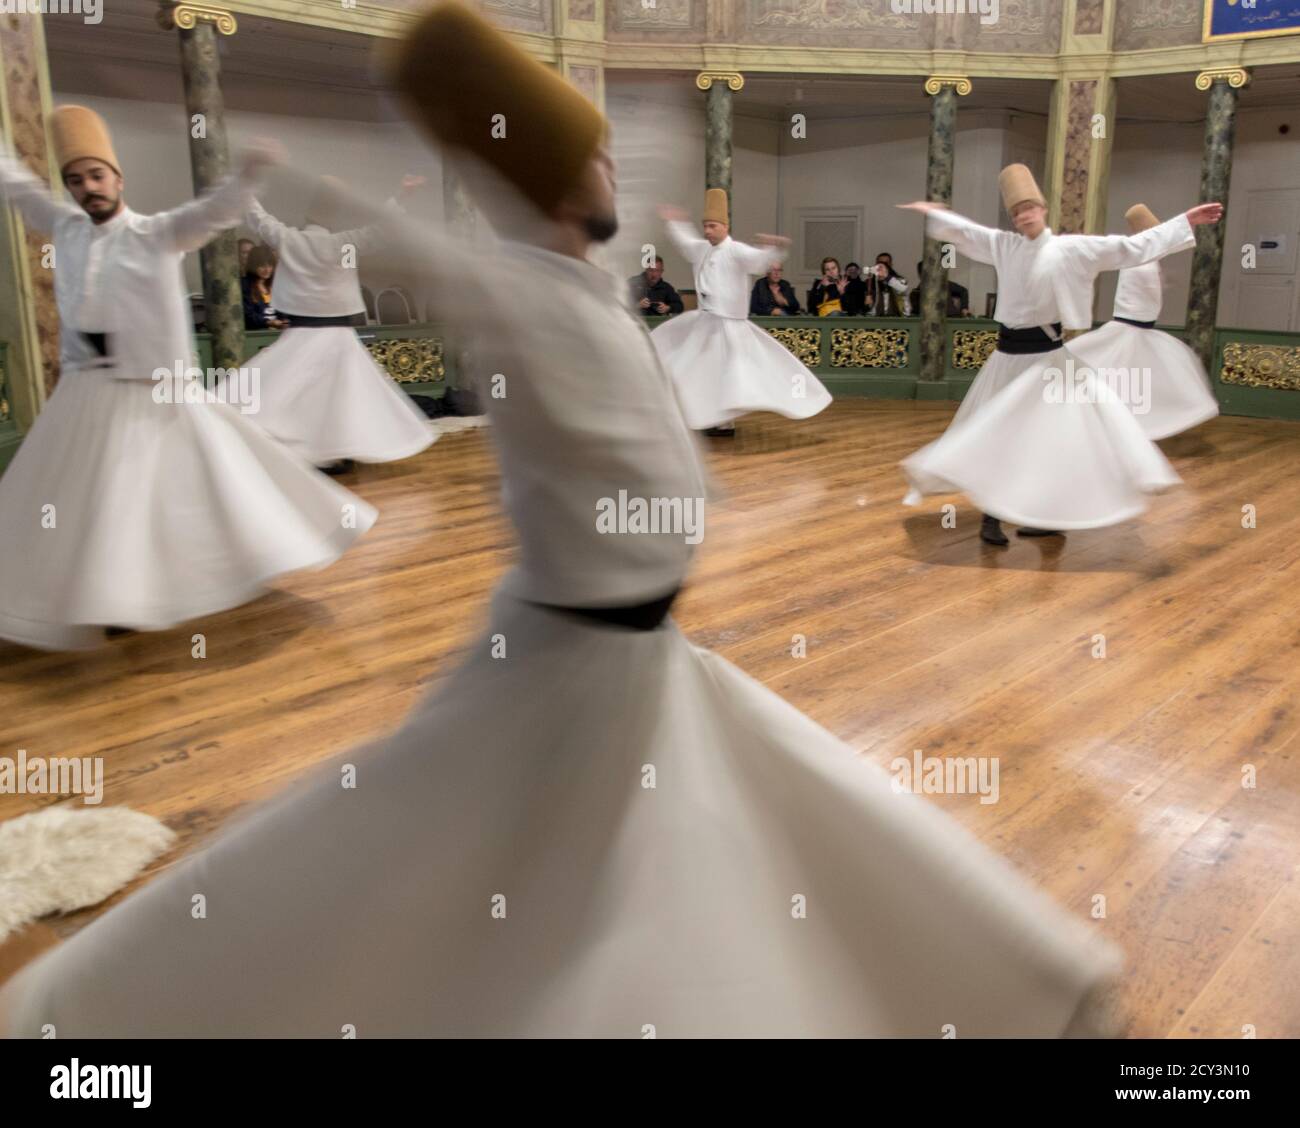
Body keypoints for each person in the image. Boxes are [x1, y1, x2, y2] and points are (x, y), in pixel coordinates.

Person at [2, 4, 1125, 1038]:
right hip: (569, 654)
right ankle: (112, 1012)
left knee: (769, 827)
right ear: (547, 179)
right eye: (591, 156)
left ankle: (1009, 986)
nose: (610, 170)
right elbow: (433, 259)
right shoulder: (518, 287)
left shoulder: (589, 285)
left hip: (645, 650)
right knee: (424, 867)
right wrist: (323, 196)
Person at [0, 106, 376, 650]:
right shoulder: (66, 227)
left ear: (118, 178)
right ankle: (107, 597)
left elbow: (213, 212)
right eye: (76, 180)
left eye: (96, 175)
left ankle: (145, 591)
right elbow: (17, 188)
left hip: (153, 392)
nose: (88, 188)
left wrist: (249, 174)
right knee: (91, 499)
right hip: (87, 389)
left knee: (173, 493)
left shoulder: (155, 233)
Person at [897, 164, 1222, 546]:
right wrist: (935, 214)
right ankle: (992, 518)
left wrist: (1186, 220)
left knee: (1053, 439)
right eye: (1017, 212)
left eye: (1030, 208)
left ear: (1043, 209)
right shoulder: (1005, 245)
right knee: (997, 434)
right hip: (1006, 357)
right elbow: (969, 234)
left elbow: (1131, 247)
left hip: (1047, 360)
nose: (1024, 216)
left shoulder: (1073, 248)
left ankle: (1048, 514)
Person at [230, 174, 435, 471]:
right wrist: (402, 196)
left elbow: (257, 218)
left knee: (294, 393)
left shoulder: (290, 239)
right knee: (341, 396)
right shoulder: (344, 243)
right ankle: (336, 452)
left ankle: (317, 451)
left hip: (303, 333)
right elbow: (382, 230)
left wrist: (245, 181)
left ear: (308, 214)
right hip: (339, 335)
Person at [651, 191, 831, 436]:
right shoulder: (702, 249)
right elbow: (685, 242)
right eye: (705, 226)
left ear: (725, 227)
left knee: (732, 377)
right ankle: (708, 419)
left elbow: (759, 261)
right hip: (706, 322)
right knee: (699, 371)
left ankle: (724, 423)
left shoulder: (736, 251)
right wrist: (675, 222)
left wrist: (773, 248)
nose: (707, 231)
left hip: (729, 326)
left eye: (712, 226)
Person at [1067, 204, 1219, 440]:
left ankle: (1118, 423)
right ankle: (1118, 424)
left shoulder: (1145, 261)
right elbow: (1146, 292)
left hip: (1140, 329)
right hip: (1131, 329)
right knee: (1122, 379)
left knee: (1128, 380)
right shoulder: (1141, 262)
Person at [240, 244, 287, 329]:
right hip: (256, 335)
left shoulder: (275, 284)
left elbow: (283, 311)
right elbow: (247, 315)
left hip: (276, 333)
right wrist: (268, 322)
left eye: (270, 265)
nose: (267, 270)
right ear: (253, 265)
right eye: (262, 266)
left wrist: (284, 320)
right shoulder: (244, 285)